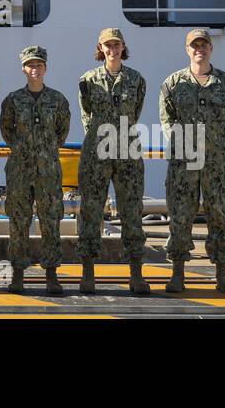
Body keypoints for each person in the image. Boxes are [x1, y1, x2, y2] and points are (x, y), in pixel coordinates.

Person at [160, 27, 225, 295]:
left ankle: (222, 273)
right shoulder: (173, 84)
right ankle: (177, 274)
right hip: (183, 162)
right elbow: (167, 121)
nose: (199, 49)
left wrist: (215, 144)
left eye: (203, 45)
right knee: (180, 215)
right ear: (187, 50)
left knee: (219, 214)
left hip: (217, 163)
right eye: (194, 45)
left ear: (210, 48)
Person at [77, 27, 149, 295]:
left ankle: (136, 274)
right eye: (107, 45)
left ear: (123, 47)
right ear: (100, 48)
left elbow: (135, 112)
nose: (112, 49)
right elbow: (86, 115)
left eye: (116, 45)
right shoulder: (87, 80)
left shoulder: (136, 80)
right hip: (96, 152)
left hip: (127, 151)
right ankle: (88, 273)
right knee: (91, 210)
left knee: (132, 210)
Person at [0, 45, 70, 295]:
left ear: (45, 68)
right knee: (19, 221)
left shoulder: (58, 100)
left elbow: (62, 132)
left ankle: (51, 275)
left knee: (50, 220)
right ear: (23, 69)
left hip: (48, 170)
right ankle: (18, 274)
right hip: (19, 170)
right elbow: (6, 130)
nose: (35, 69)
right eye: (30, 65)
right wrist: (24, 150)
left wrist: (44, 150)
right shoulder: (13, 100)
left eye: (39, 65)